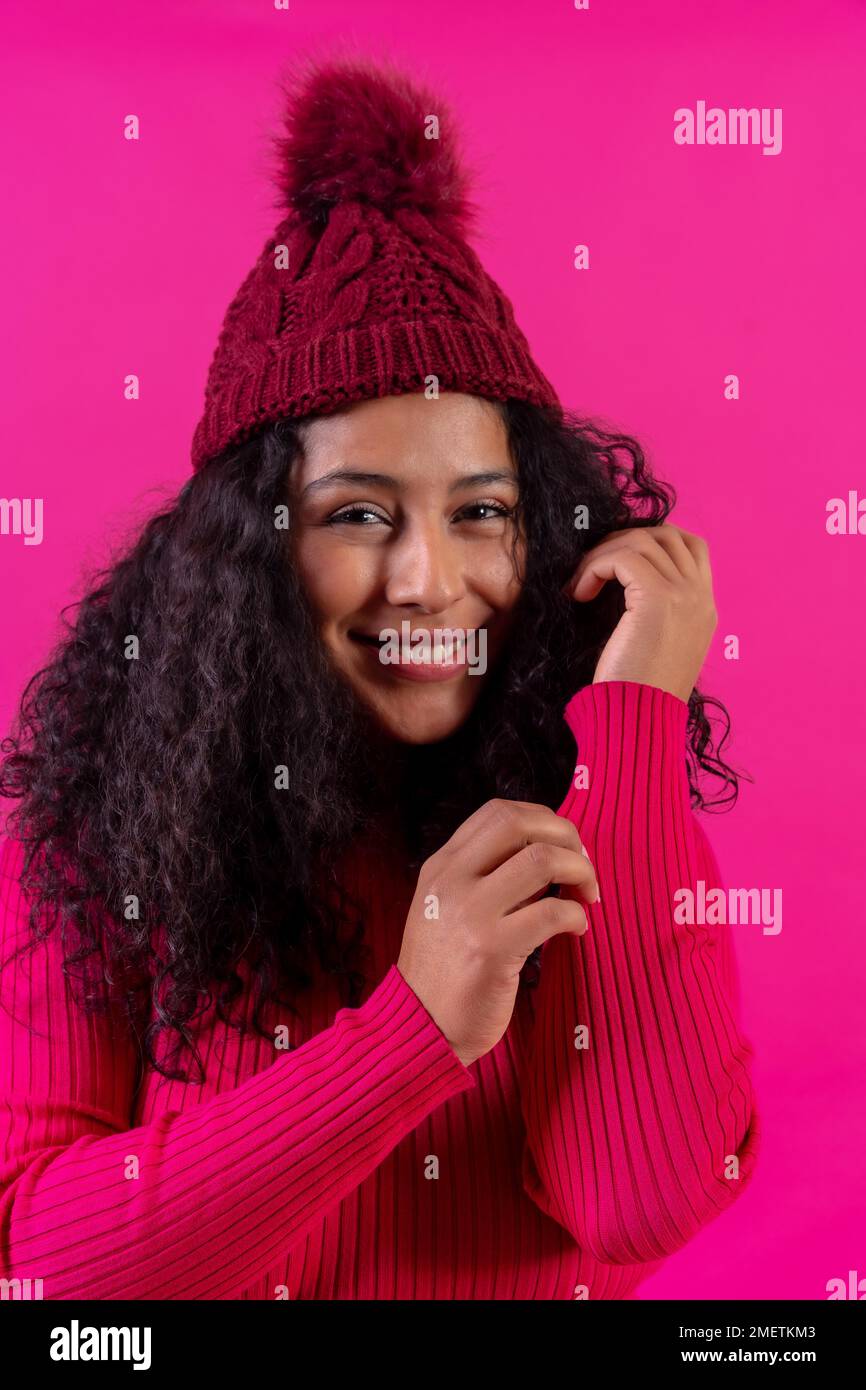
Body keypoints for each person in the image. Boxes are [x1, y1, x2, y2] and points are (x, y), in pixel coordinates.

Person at [0, 52, 759, 1301]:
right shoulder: (99, 834)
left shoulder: (599, 802)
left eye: (479, 512)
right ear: (250, 552)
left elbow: (639, 1199)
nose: (427, 579)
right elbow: (41, 1272)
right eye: (357, 514)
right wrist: (415, 1030)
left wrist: (630, 722)